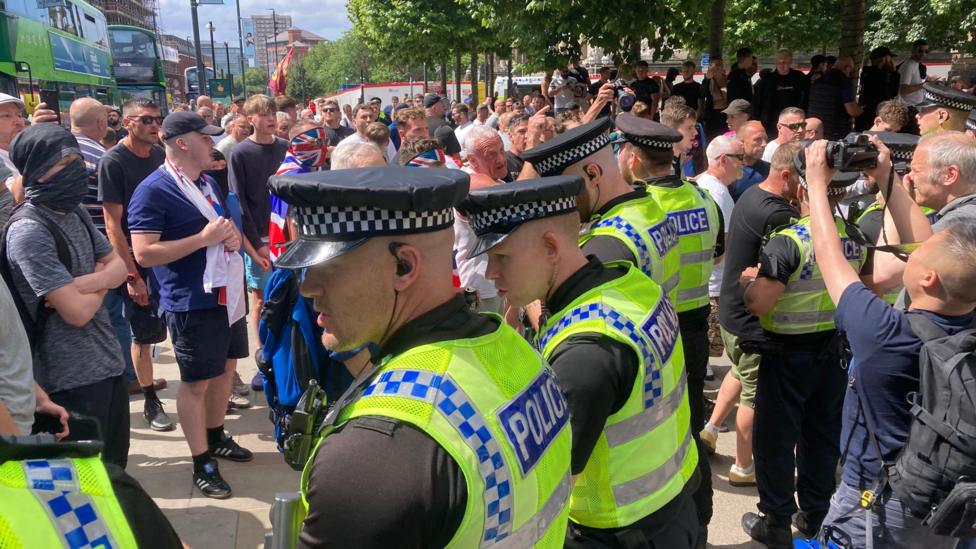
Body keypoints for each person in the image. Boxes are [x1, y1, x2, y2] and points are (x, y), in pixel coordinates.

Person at [265, 167, 572, 548]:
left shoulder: (372, 454)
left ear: (404, 266)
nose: (308, 288)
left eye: (328, 267)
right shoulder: (514, 350)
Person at [461, 173, 699, 548]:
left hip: (613, 532)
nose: (491, 273)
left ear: (551, 247)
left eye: (501, 256)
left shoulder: (584, 353)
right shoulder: (628, 283)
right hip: (672, 505)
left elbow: (548, 482)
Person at [804, 136, 971, 549]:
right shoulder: (965, 319)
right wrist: (886, 178)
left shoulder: (884, 334)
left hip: (876, 504)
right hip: (943, 505)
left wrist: (815, 184)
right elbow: (933, 247)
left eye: (915, 256)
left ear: (927, 279)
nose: (910, 252)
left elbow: (829, 255)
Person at [740, 147, 871, 548]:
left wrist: (749, 283)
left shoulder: (787, 242)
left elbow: (760, 303)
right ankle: (815, 515)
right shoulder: (856, 239)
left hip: (786, 357)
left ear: (800, 189)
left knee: (775, 439)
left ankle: (776, 522)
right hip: (832, 354)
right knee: (821, 435)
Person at [128, 111, 252, 499]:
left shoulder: (206, 182)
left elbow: (220, 229)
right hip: (191, 303)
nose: (212, 143)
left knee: (223, 371)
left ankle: (215, 436)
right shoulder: (153, 190)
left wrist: (228, 238)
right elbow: (144, 253)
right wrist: (203, 239)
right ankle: (201, 461)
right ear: (183, 142)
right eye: (205, 137)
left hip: (225, 295)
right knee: (196, 382)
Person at [615, 115, 723, 545]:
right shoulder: (703, 199)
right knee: (691, 422)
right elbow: (717, 252)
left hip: (657, 332)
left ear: (635, 158)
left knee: (658, 434)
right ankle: (700, 519)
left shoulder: (641, 210)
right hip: (696, 327)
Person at [3, 124, 129, 466]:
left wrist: (84, 283)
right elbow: (76, 313)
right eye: (66, 161)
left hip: (107, 364)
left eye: (77, 158)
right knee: (87, 482)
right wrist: (102, 279)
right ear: (39, 171)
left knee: (115, 469)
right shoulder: (29, 231)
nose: (79, 169)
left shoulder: (73, 213)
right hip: (68, 381)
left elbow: (120, 269)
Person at [702, 142, 803, 489]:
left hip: (733, 309)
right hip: (750, 317)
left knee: (739, 370)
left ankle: (711, 428)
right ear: (788, 175)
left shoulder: (750, 194)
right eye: (804, 178)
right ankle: (744, 467)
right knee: (754, 395)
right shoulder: (781, 215)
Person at [522, 117, 681, 302]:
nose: (561, 200)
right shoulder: (649, 206)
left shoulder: (604, 248)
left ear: (593, 174)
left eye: (565, 189)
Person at [98, 98, 173, 430]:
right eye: (146, 120)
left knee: (176, 327)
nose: (154, 125)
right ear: (127, 122)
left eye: (158, 119)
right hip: (136, 262)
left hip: (168, 256)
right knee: (142, 334)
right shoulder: (113, 162)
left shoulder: (159, 155)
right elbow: (113, 225)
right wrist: (132, 275)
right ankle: (149, 400)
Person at [229, 94, 286, 367]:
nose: (270, 118)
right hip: (260, 238)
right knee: (261, 298)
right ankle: (264, 355)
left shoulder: (285, 147)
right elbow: (239, 202)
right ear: (250, 119)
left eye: (272, 113)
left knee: (288, 293)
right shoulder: (240, 152)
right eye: (263, 114)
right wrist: (255, 245)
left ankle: (286, 348)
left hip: (288, 234)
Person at [754, 49, 809, 139]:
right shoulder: (767, 79)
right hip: (771, 122)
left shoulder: (799, 77)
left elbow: (807, 98)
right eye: (779, 62)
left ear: (791, 62)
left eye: (785, 62)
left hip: (794, 121)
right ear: (776, 62)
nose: (782, 65)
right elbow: (757, 101)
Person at [807, 56, 862, 140]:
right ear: (847, 68)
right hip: (835, 131)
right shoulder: (844, 83)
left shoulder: (818, 81)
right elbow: (852, 111)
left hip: (816, 129)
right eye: (851, 70)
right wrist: (860, 110)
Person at [856, 46, 901, 131]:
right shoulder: (871, 73)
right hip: (871, 112)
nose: (891, 61)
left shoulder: (872, 72)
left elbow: (893, 92)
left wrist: (893, 73)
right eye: (889, 58)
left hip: (877, 111)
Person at [729, 121, 770, 200]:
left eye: (765, 139)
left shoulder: (771, 170)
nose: (764, 144)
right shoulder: (729, 173)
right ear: (741, 142)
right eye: (758, 139)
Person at [898, 39, 936, 106]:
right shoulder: (909, 65)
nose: (923, 54)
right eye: (920, 51)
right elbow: (903, 90)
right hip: (907, 106)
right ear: (913, 51)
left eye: (926, 51)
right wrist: (924, 84)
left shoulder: (915, 64)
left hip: (915, 105)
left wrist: (930, 81)